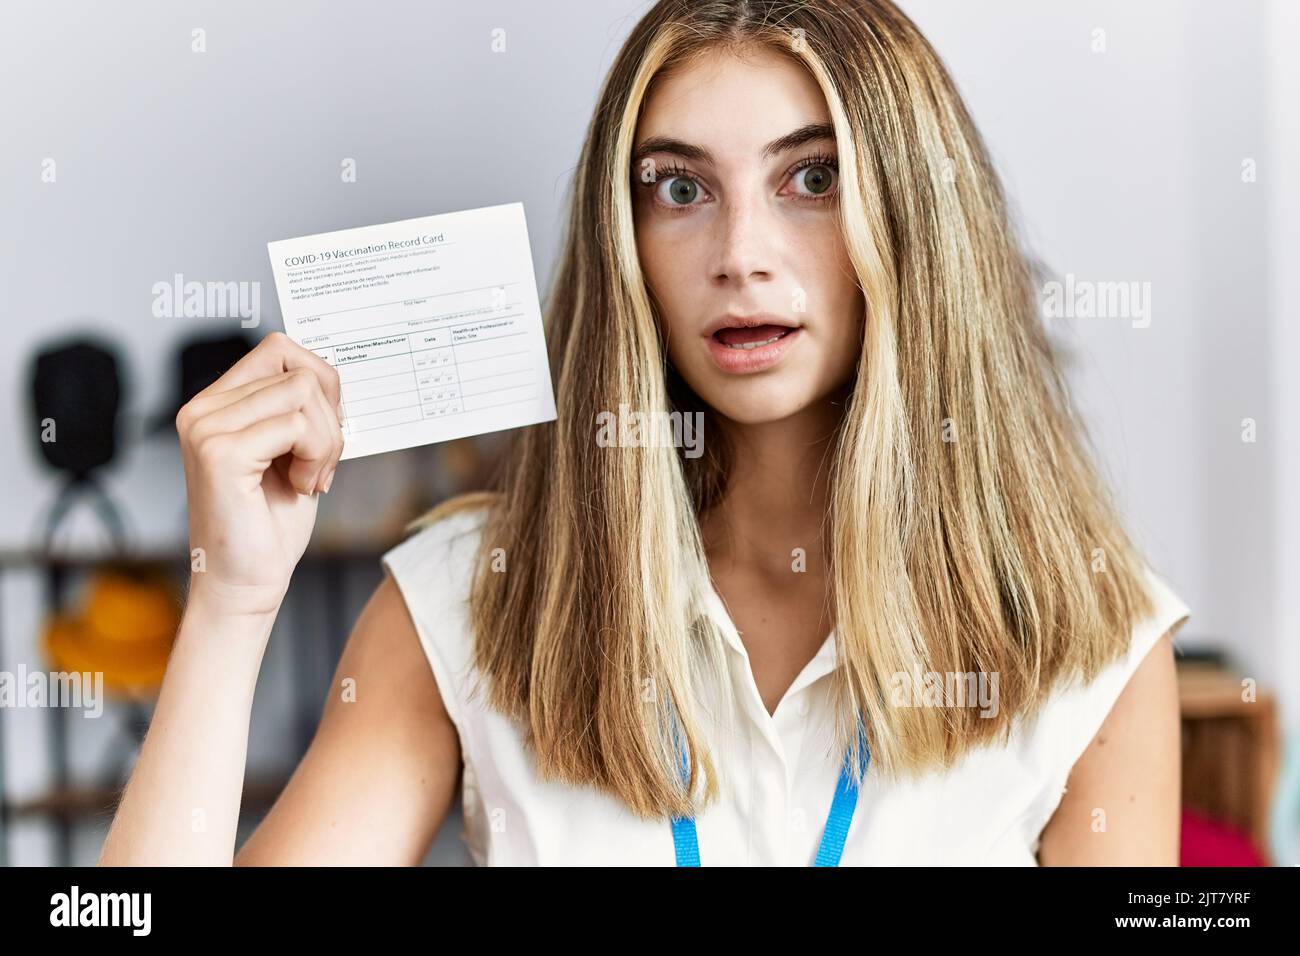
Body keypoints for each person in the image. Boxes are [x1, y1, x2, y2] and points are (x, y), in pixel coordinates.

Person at [100, 0, 1191, 866]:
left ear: (915, 218)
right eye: (679, 188)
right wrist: (232, 602)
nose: (740, 253)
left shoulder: (1091, 641)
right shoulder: (464, 600)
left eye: (811, 178)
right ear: (624, 239)